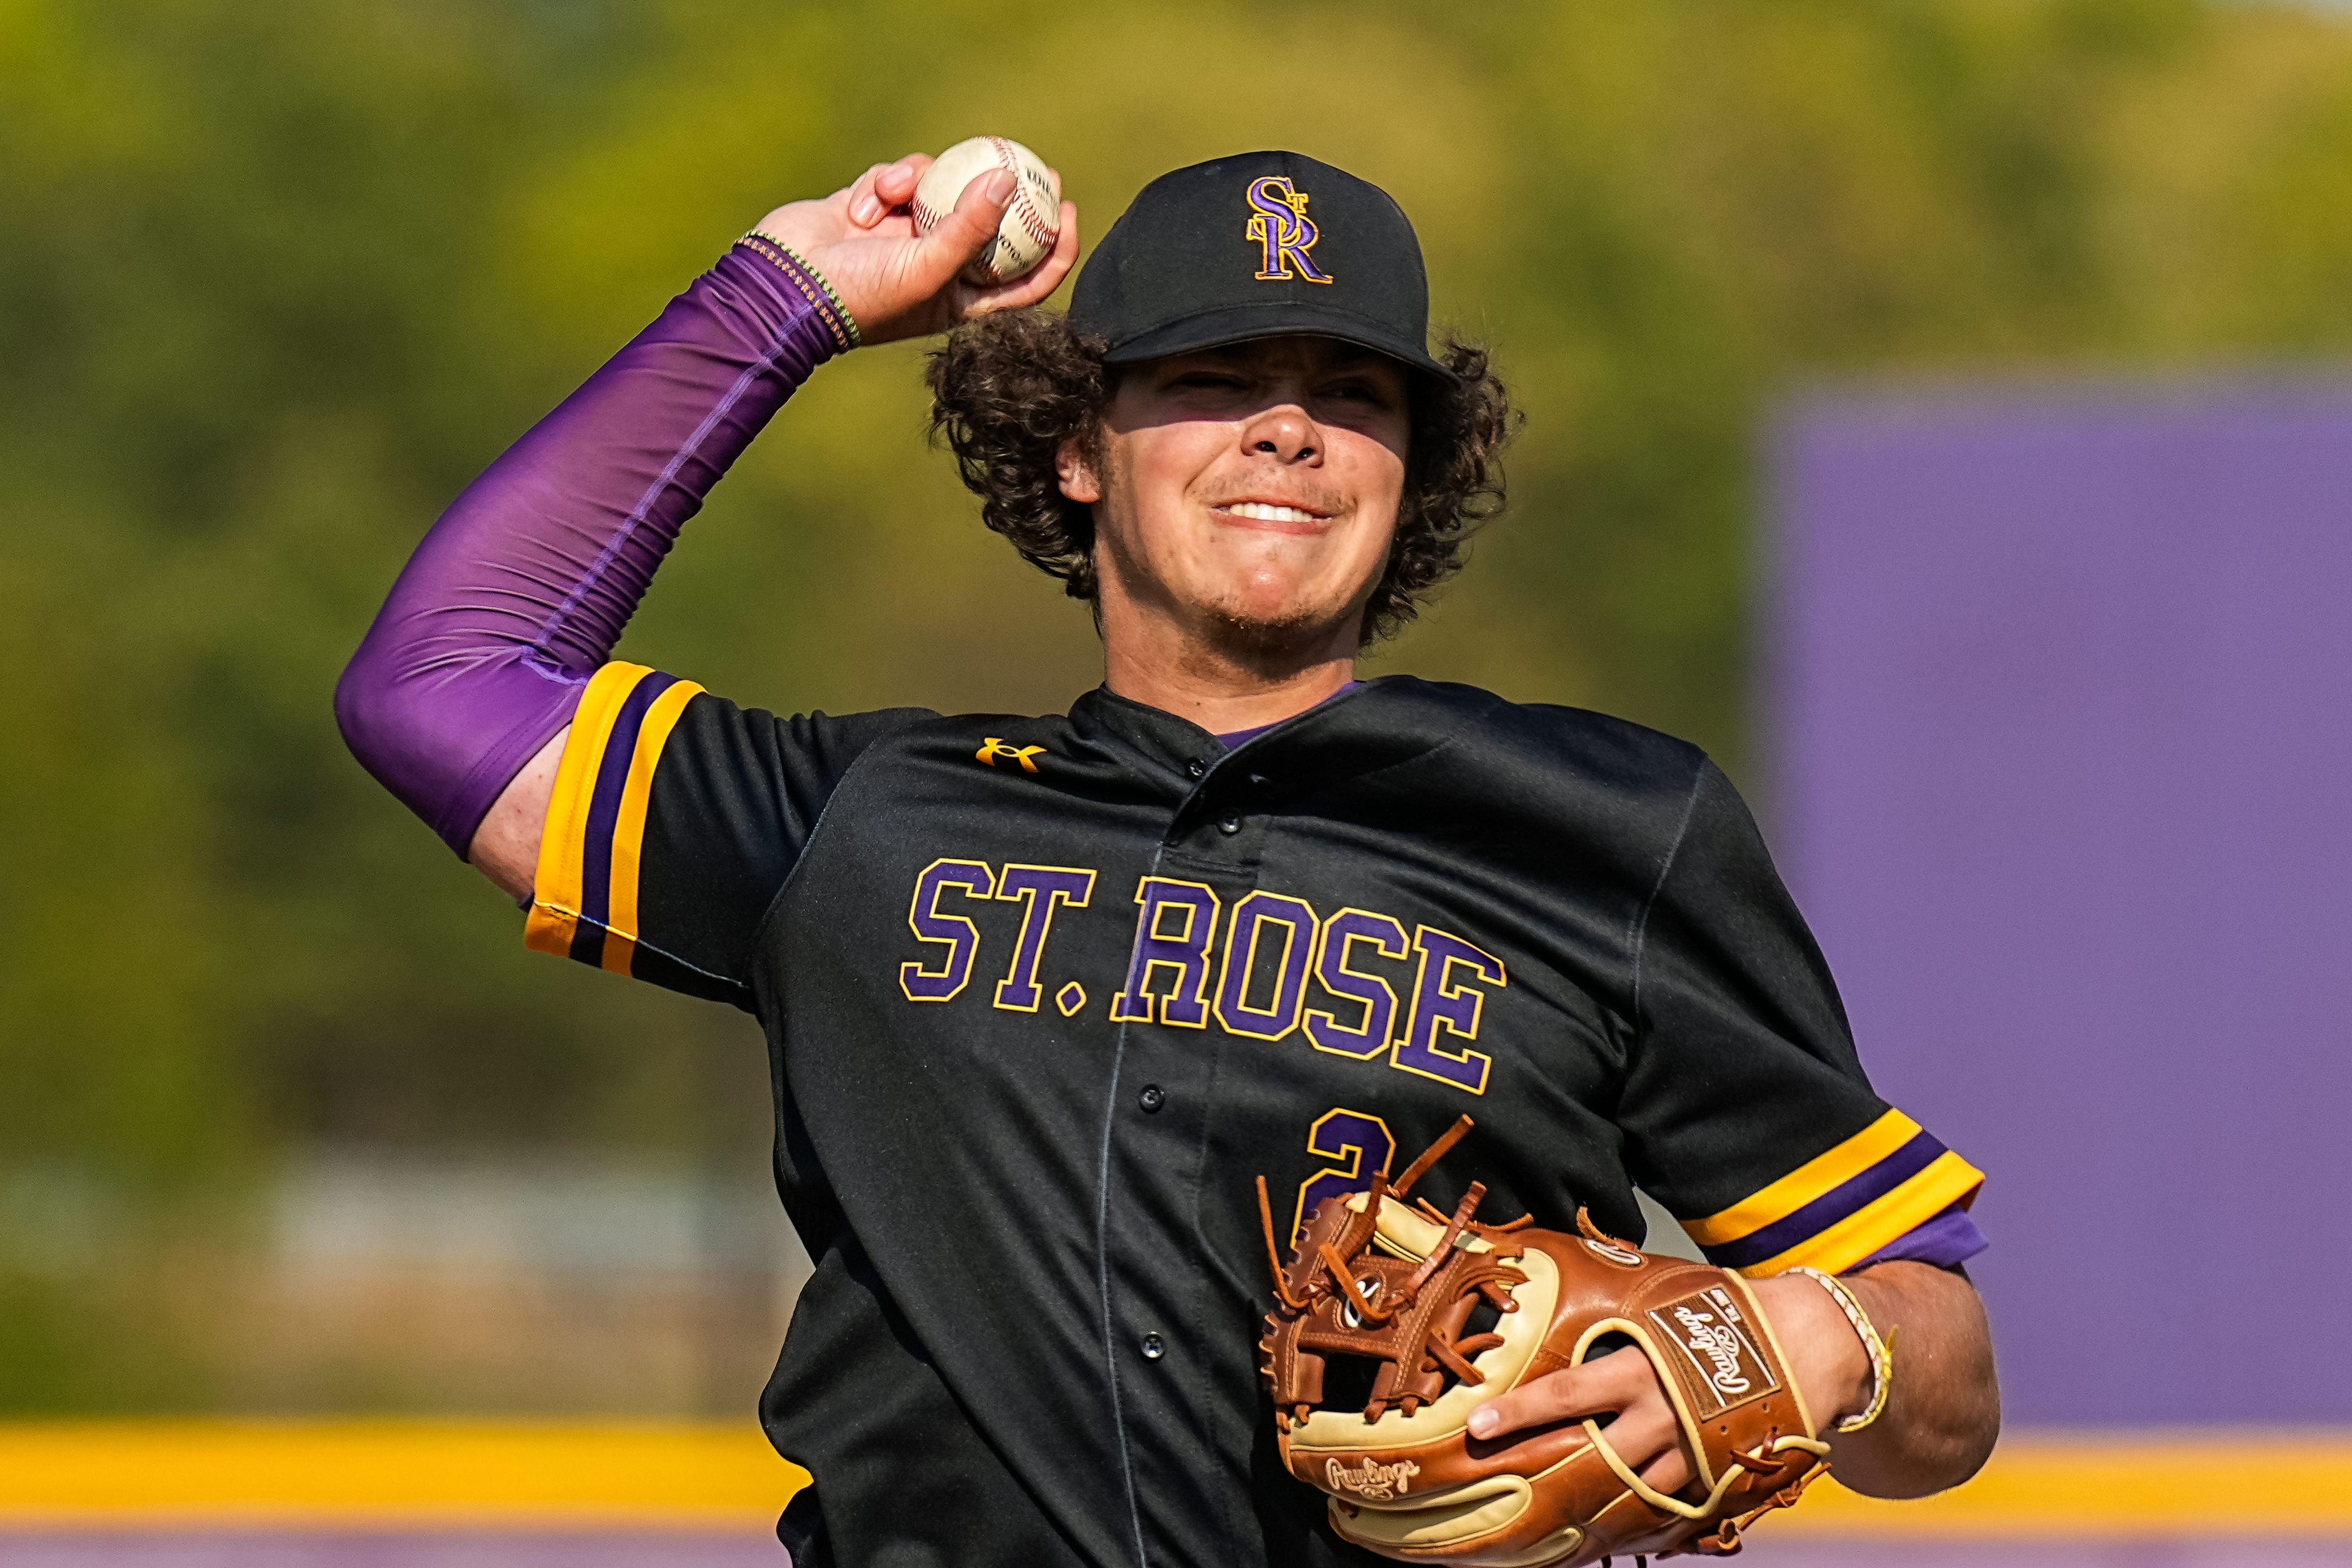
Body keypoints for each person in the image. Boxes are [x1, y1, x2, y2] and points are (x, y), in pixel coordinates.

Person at [337, 148, 1999, 1567]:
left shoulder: (1606, 826)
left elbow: (1945, 1372)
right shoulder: (864, 824)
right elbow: (437, 688)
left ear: (1409, 473)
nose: (1289, 430)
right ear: (1078, 445)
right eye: (1214, 379)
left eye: (1354, 394)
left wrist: (1816, 1333)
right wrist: (785, 301)